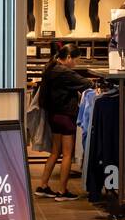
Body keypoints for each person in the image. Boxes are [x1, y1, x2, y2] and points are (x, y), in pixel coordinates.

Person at [35, 44, 94, 202]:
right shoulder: (64, 72)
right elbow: (87, 83)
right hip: (66, 116)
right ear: (68, 57)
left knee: (55, 152)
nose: (76, 64)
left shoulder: (50, 68)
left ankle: (43, 186)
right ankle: (62, 191)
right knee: (67, 154)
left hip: (53, 115)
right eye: (75, 60)